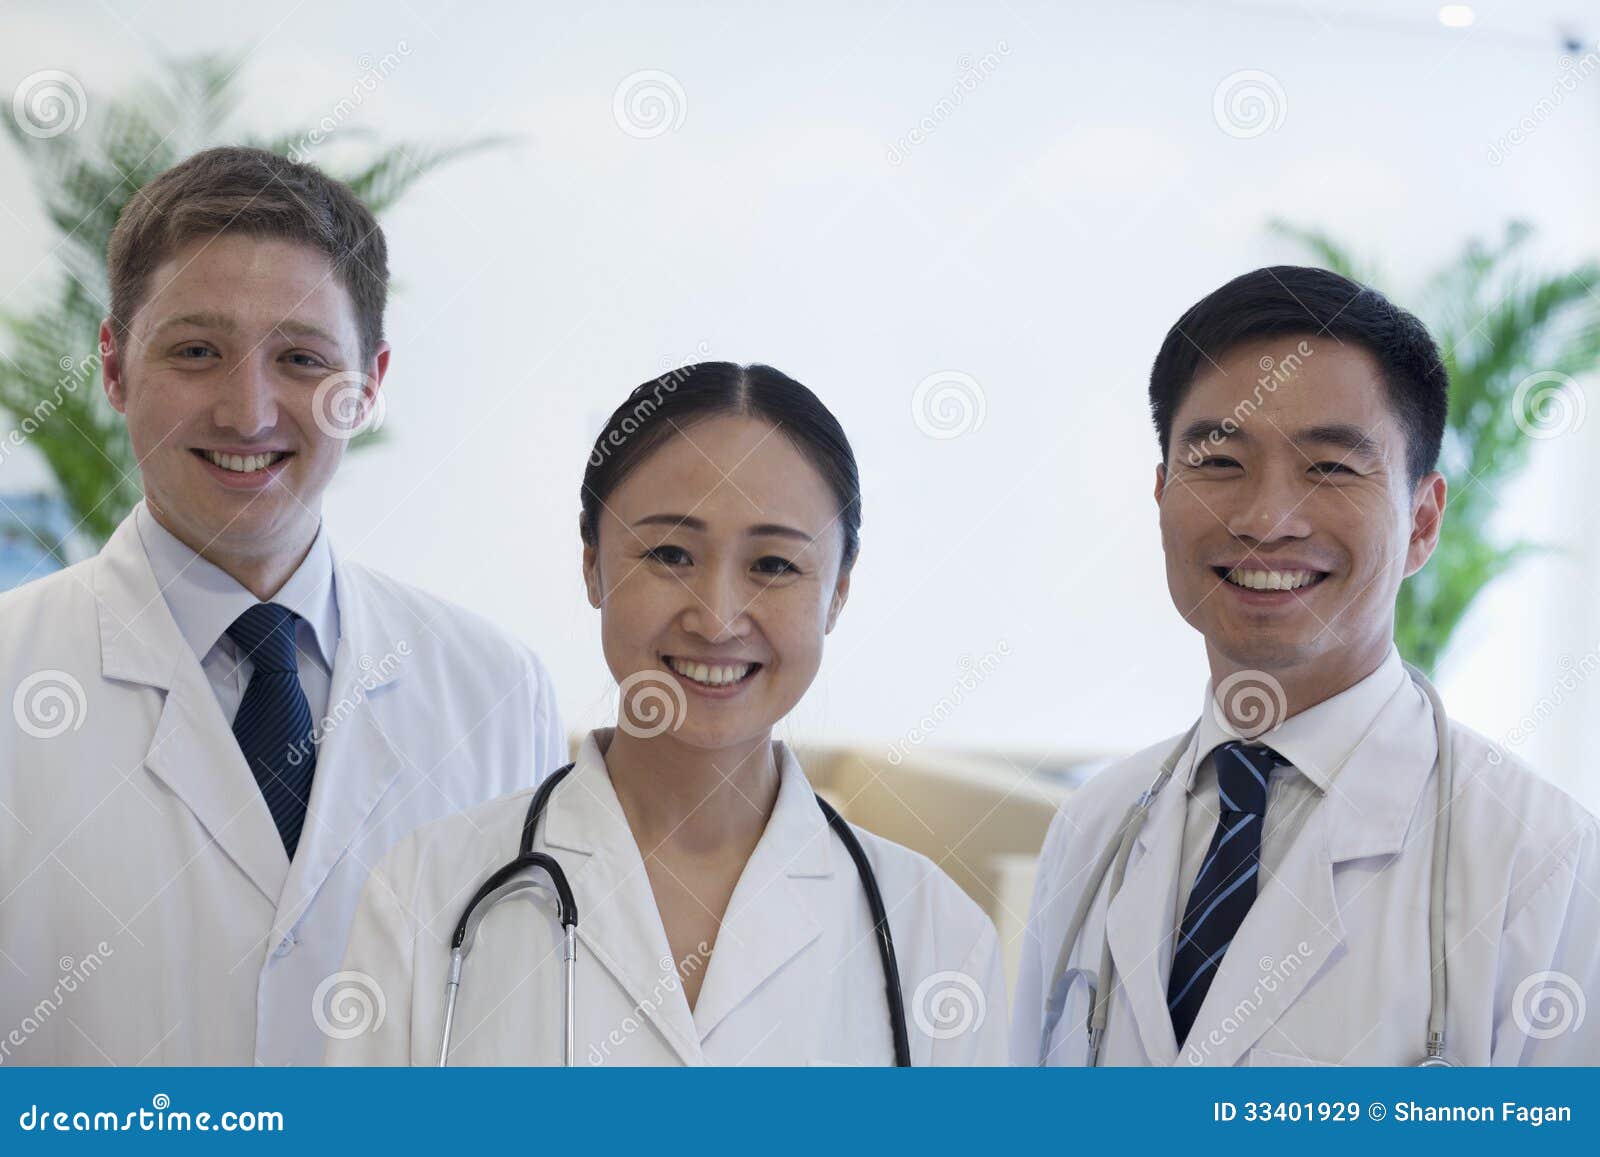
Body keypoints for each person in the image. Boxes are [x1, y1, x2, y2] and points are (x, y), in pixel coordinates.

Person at [0, 147, 564, 1065]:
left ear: (369, 382)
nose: (249, 410)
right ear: (112, 367)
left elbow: (525, 1046)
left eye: (301, 358)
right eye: (196, 352)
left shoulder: (497, 692)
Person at [326, 362, 1007, 1066]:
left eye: (773, 564)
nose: (716, 619)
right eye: (669, 553)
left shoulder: (934, 935)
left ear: (838, 590)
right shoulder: (426, 892)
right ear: (593, 564)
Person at [1012, 266, 1600, 1066]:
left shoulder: (1546, 862)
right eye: (1219, 462)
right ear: (1161, 496)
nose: (1265, 518)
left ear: (1423, 521)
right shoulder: (1095, 828)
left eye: (1330, 466)